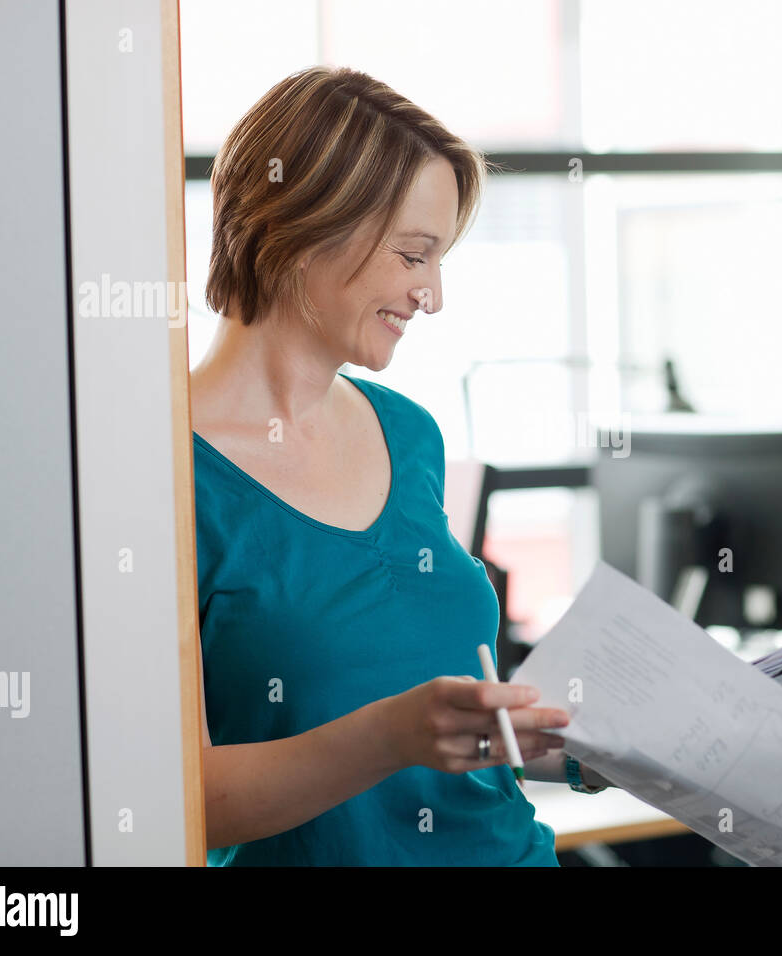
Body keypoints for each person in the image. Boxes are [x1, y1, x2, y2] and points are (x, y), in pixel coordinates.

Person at [189, 66, 611, 866]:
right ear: (305, 225)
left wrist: (583, 744)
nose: (433, 295)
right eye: (415, 256)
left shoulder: (408, 435)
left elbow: (445, 724)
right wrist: (387, 736)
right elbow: (178, 804)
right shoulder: (162, 477)